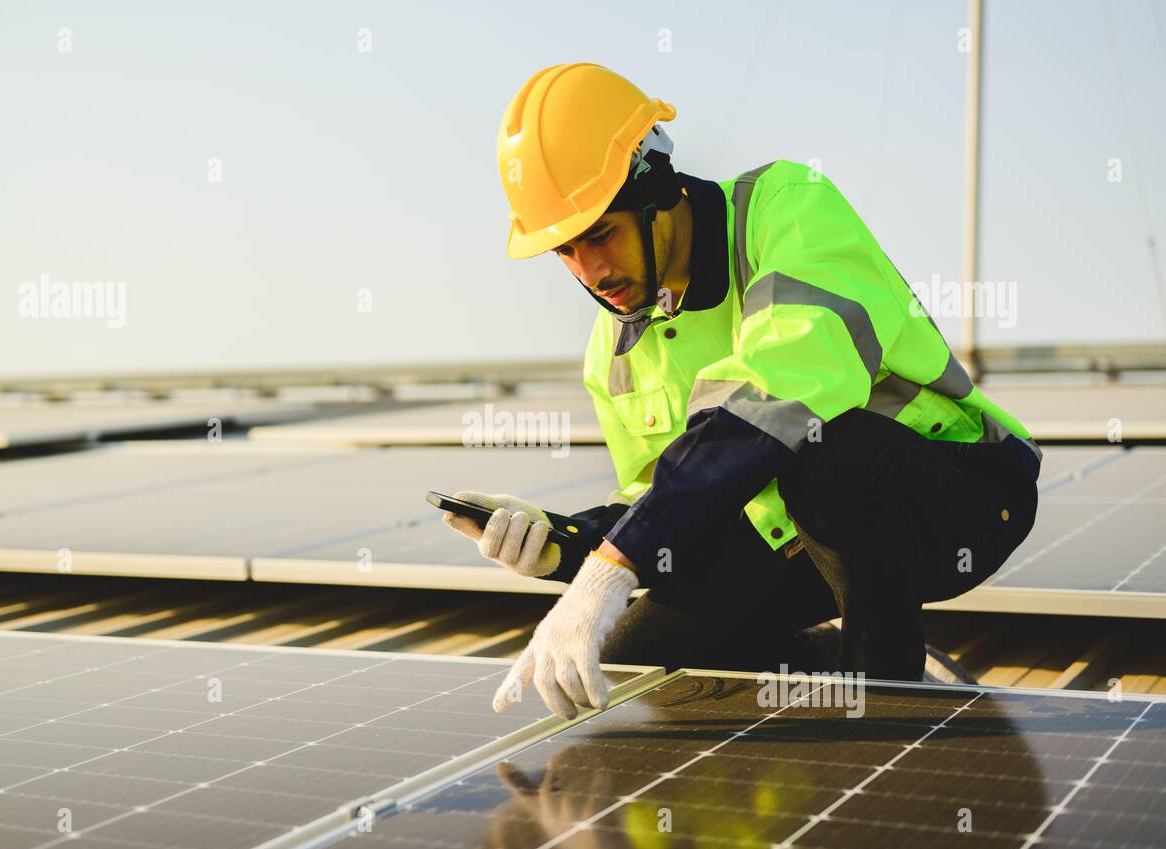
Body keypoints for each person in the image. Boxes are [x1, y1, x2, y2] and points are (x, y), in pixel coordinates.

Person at [444, 63, 1040, 719]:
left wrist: (614, 565)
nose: (591, 272)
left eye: (601, 234)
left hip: (957, 495)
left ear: (658, 190)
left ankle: (888, 692)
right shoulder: (612, 351)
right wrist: (566, 544)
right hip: (791, 533)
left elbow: (788, 394)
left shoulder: (784, 206)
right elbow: (666, 503)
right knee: (642, 664)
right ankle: (818, 669)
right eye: (564, 250)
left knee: (822, 450)